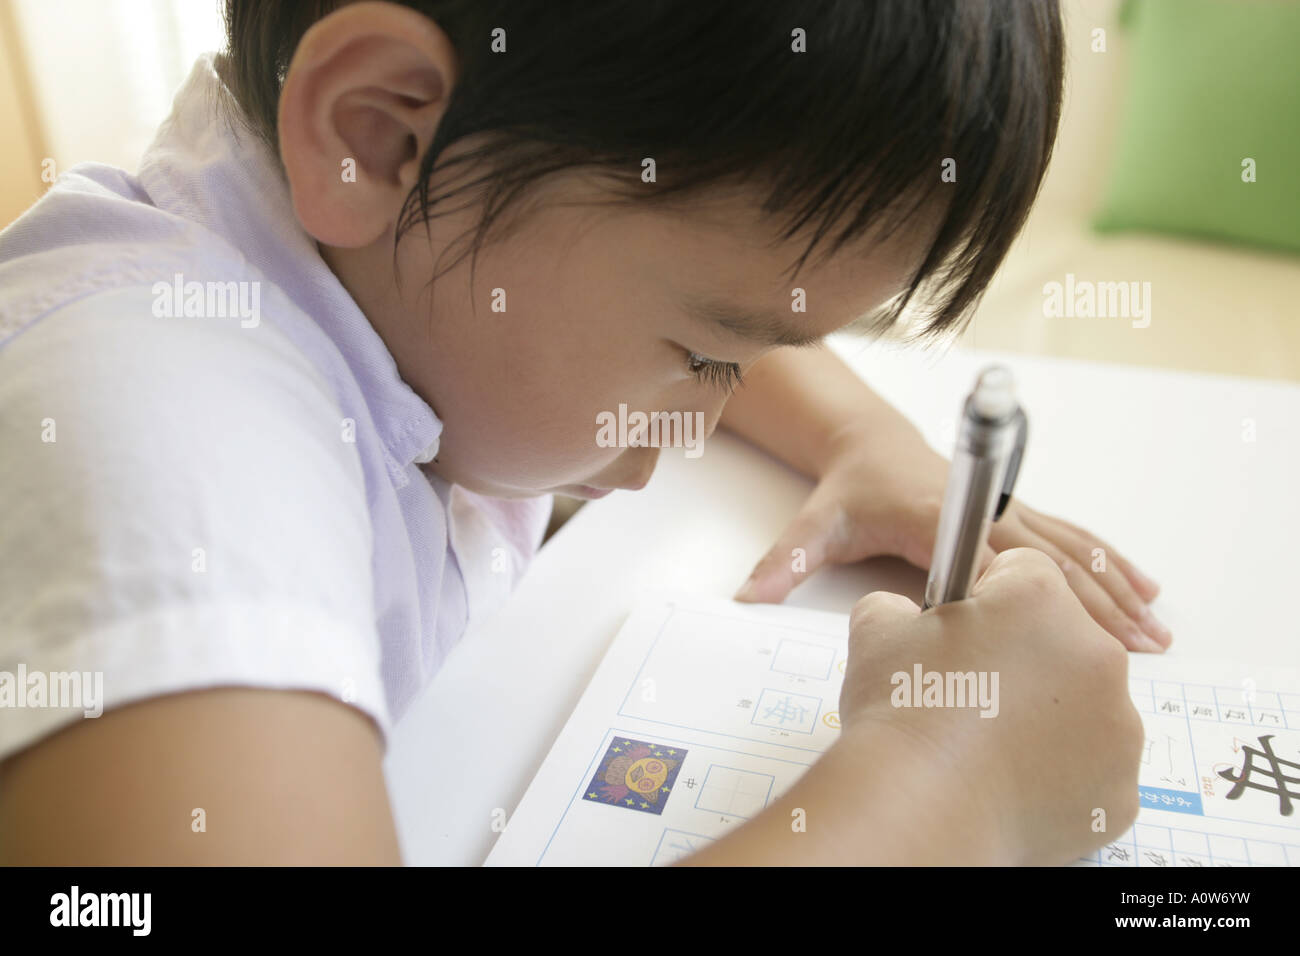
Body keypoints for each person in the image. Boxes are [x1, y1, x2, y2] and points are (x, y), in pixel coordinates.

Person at [0, 0, 1151, 864]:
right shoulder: (164, 423)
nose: (703, 415)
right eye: (706, 356)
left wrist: (862, 435)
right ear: (378, 137)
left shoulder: (402, 268)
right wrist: (950, 786)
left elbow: (638, 276)